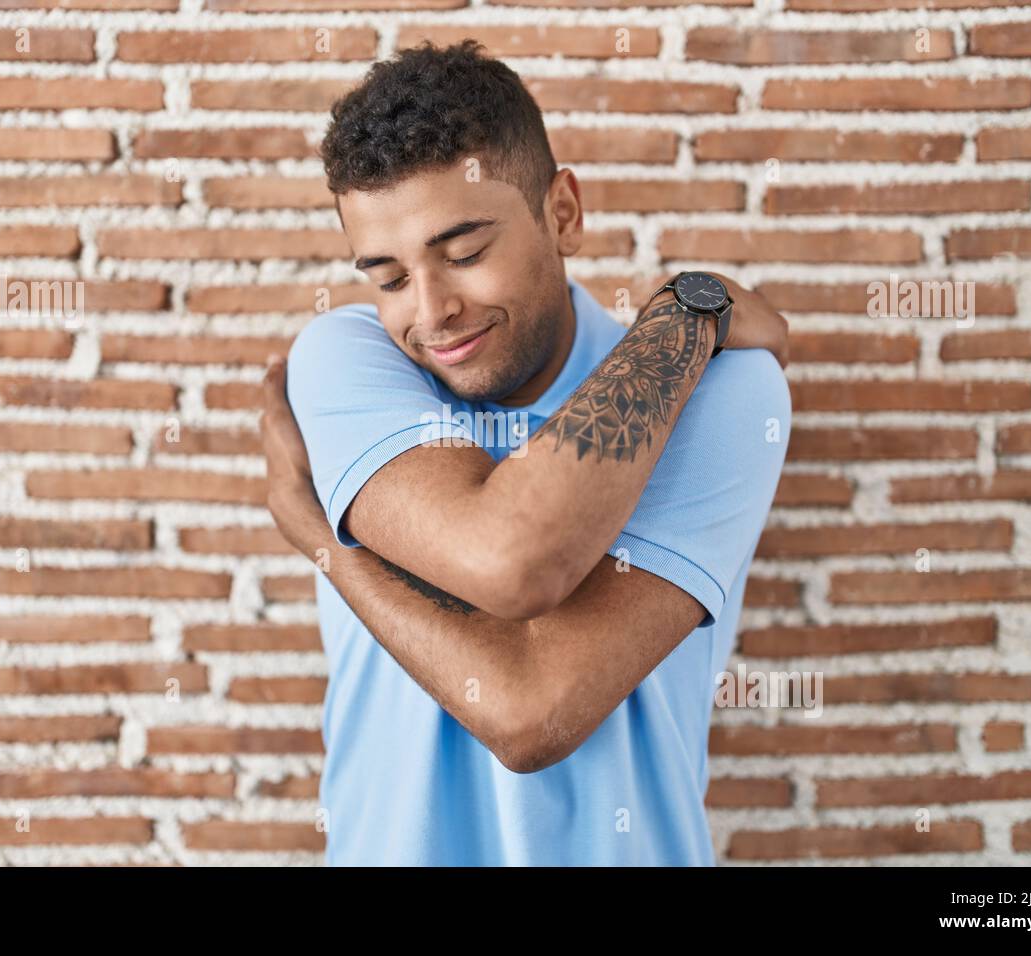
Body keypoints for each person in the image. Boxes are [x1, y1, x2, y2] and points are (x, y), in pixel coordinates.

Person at [260, 39, 792, 866]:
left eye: (465, 254)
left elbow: (530, 704)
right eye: (389, 277)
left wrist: (323, 538)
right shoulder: (342, 357)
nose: (432, 313)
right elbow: (504, 560)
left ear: (563, 214)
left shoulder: (723, 395)